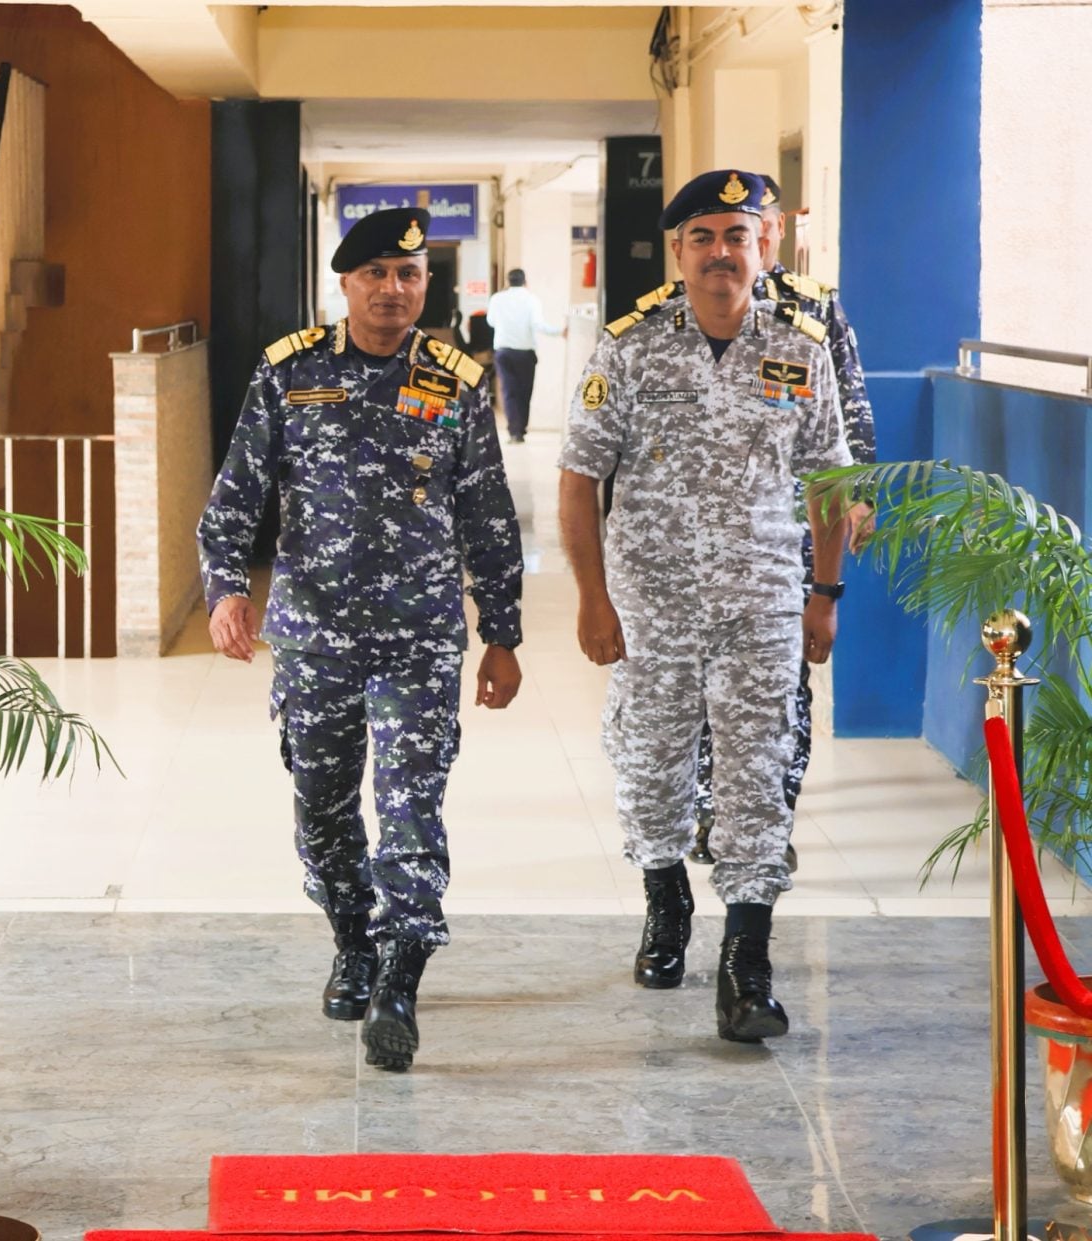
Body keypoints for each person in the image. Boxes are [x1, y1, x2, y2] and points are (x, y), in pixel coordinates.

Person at [197, 207, 524, 1073]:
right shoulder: (288, 373)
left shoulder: (456, 384)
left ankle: (400, 981)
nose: (392, 290)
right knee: (324, 806)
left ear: (426, 287)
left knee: (412, 809)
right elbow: (236, 496)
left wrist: (502, 631)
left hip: (419, 639)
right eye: (376, 273)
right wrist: (227, 587)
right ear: (345, 283)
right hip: (315, 636)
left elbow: (488, 514)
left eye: (408, 275)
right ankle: (352, 937)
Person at [557, 170, 851, 1043]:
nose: (722, 252)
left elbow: (830, 483)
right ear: (678, 251)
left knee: (758, 773)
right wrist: (593, 601)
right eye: (704, 237)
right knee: (653, 766)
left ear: (767, 247)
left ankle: (746, 962)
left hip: (762, 601)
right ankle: (665, 896)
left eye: (739, 234)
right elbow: (580, 480)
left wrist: (824, 598)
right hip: (652, 605)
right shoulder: (631, 348)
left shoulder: (802, 349)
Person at [689, 172, 877, 866]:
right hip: (702, 536)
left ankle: (771, 812)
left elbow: (850, 409)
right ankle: (713, 808)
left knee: (780, 683)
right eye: (728, 229)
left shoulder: (815, 314)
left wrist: (860, 494)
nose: (747, 240)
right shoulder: (678, 314)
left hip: (791, 532)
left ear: (771, 236)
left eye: (757, 228)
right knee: (706, 678)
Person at [485, 268, 565, 443]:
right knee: (524, 392)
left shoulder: (497, 299)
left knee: (508, 391)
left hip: (503, 352)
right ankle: (521, 429)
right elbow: (538, 324)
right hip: (525, 354)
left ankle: (514, 432)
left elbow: (490, 321)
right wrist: (559, 332)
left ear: (508, 281)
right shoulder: (531, 299)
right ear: (525, 281)